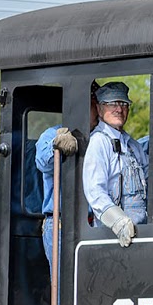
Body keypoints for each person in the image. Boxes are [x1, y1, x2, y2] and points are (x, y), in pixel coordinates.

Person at [34, 83, 96, 272]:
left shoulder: (103, 137)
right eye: (92, 102)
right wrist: (58, 146)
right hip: (61, 225)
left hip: (95, 224)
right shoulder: (52, 134)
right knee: (65, 283)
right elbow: (42, 162)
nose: (96, 107)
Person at [82, 80, 148, 247]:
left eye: (123, 104)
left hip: (142, 233)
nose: (119, 109)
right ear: (99, 109)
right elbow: (95, 192)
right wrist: (118, 221)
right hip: (112, 237)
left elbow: (151, 181)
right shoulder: (98, 142)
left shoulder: (134, 146)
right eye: (112, 104)